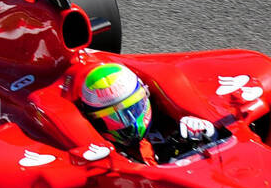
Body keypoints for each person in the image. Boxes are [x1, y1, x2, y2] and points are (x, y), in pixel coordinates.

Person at [79, 63, 217, 161]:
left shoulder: (167, 121)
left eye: (133, 109)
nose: (130, 123)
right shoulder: (98, 150)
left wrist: (210, 132)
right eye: (113, 118)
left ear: (146, 95)